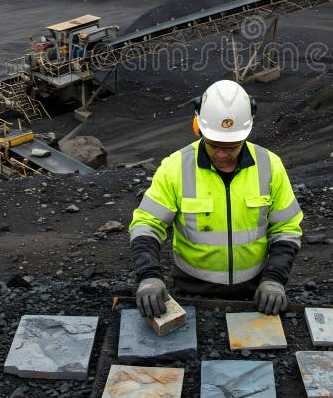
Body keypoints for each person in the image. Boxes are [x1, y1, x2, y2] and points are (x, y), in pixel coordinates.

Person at [129, 79, 303, 317]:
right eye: (214, 145)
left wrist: (274, 280)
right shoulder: (176, 168)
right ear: (198, 128)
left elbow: (287, 228)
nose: (222, 154)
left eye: (231, 146)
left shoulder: (270, 166)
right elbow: (146, 224)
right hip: (191, 292)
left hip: (255, 294)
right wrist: (149, 277)